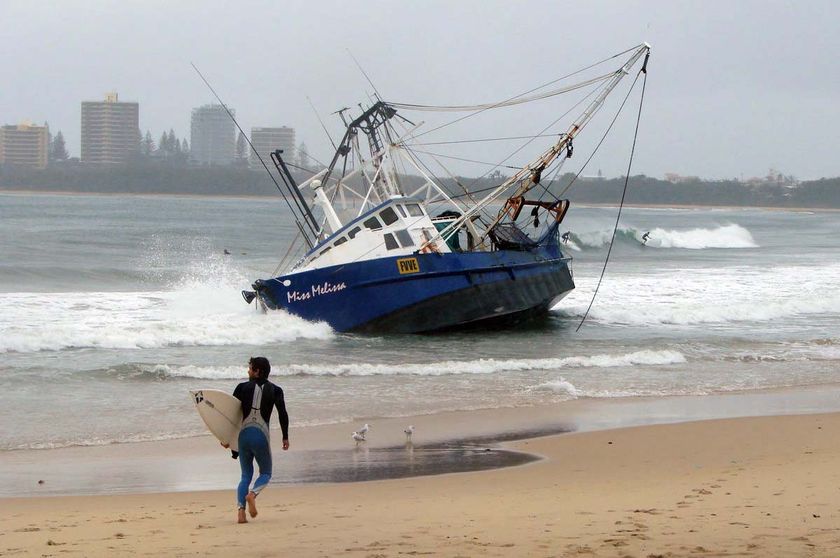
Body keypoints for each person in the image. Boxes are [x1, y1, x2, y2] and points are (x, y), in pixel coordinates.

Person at [225, 356, 289, 524]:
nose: (248, 370)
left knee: (245, 475)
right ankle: (252, 495)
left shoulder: (241, 387)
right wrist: (285, 436)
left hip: (244, 436)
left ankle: (240, 512)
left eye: (250, 368)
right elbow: (283, 413)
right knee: (266, 473)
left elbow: (230, 415)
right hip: (261, 435)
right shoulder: (276, 390)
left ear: (257, 371)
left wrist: (227, 439)